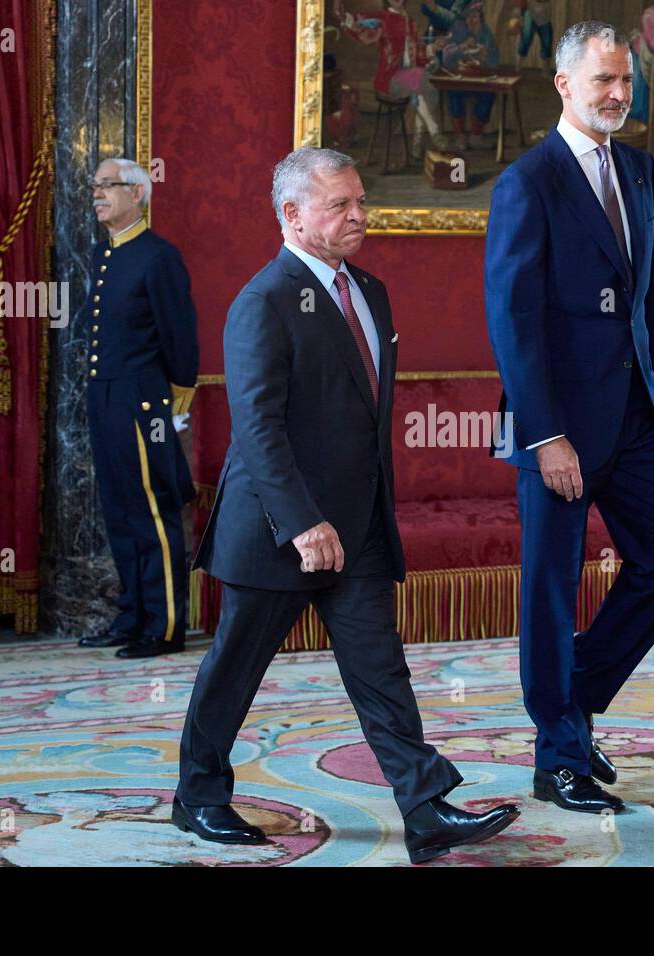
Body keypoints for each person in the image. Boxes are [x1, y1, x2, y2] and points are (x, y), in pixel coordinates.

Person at [175, 146, 518, 864]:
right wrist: (302, 521)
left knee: (379, 667)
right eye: (341, 205)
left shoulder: (371, 290)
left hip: (357, 526)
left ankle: (424, 807)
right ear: (292, 215)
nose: (360, 214)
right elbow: (258, 427)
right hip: (278, 529)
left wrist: (350, 517)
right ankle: (199, 797)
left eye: (361, 200)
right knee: (236, 668)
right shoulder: (261, 300)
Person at [484, 21, 654, 814]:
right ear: (564, 85)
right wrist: (544, 434)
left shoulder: (639, 171)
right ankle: (560, 758)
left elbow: (649, 305)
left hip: (639, 415)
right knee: (551, 586)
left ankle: (568, 697)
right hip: (560, 428)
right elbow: (514, 319)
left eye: (626, 81)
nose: (618, 94)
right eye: (604, 80)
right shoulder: (529, 181)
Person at [75, 158, 199, 659]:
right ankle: (132, 615)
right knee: (120, 509)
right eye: (96, 186)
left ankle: (165, 624)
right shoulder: (107, 256)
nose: (99, 193)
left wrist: (175, 405)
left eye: (110, 185)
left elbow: (181, 338)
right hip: (105, 396)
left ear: (139, 194)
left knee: (152, 510)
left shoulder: (157, 257)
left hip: (144, 400)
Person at [341, 0, 448, 155]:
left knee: (423, 89)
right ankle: (434, 132)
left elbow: (419, 53)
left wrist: (433, 48)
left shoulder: (411, 22)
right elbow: (364, 33)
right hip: (389, 80)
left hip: (411, 79)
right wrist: (348, 20)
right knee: (423, 82)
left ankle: (418, 145)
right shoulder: (383, 19)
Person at [441, 2, 500, 150]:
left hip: (480, 78)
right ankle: (460, 136)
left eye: (475, 17)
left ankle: (476, 136)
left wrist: (486, 56)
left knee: (489, 94)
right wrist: (460, 48)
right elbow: (446, 56)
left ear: (481, 18)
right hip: (461, 77)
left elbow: (495, 59)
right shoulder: (457, 29)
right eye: (469, 17)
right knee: (455, 92)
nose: (472, 20)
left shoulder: (485, 32)